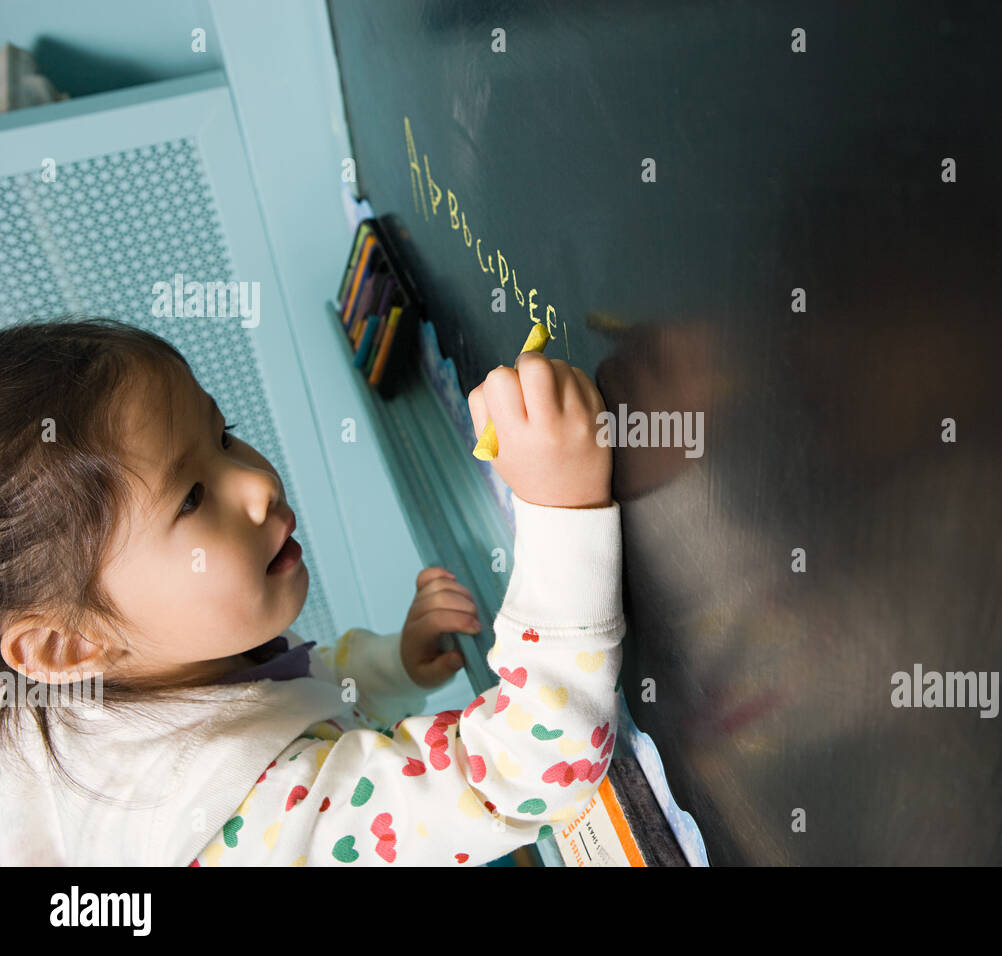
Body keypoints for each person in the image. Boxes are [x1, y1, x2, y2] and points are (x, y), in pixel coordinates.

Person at [0, 316, 623, 866]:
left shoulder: (146, 663)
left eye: (224, 436)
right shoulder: (234, 822)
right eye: (191, 498)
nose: (254, 485)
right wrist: (562, 507)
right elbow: (526, 773)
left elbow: (279, 689)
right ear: (65, 645)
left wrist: (388, 666)